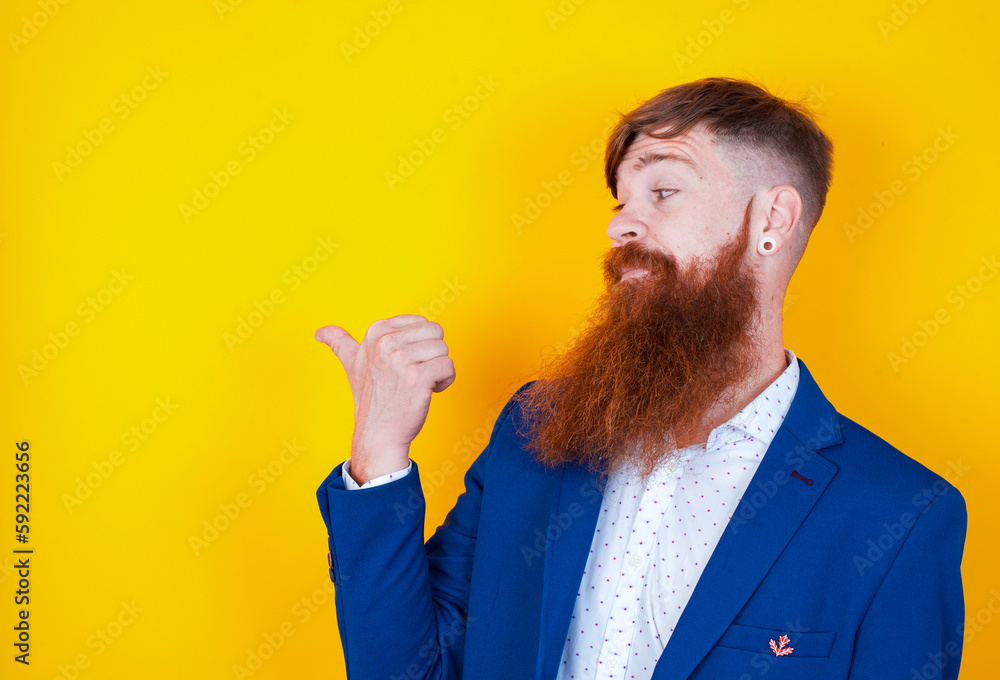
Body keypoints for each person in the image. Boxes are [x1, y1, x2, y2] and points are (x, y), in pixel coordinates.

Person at [313, 77, 966, 680]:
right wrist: (379, 457)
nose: (619, 224)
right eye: (622, 201)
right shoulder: (535, 431)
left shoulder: (900, 514)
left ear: (772, 220)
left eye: (663, 191)